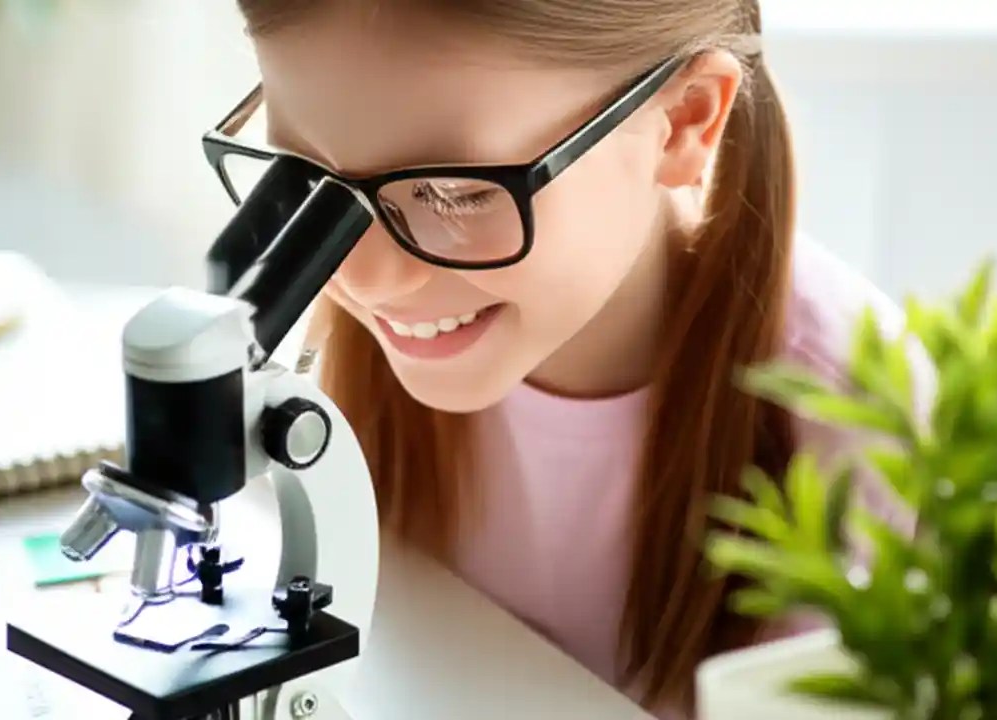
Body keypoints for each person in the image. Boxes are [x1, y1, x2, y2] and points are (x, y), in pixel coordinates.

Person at [208, 1, 935, 718]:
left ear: (685, 121)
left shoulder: (853, 425)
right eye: (304, 178)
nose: (362, 279)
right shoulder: (336, 323)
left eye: (455, 194)